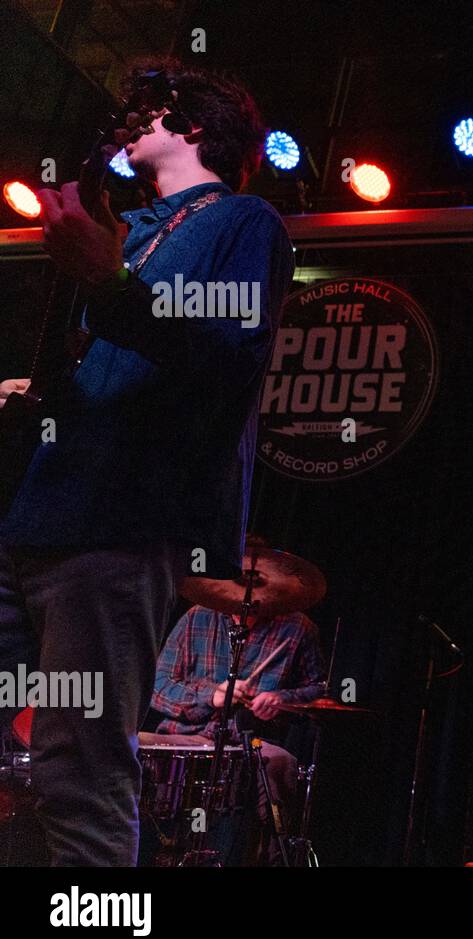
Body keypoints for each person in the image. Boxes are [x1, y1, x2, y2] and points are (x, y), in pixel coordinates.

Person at [0, 59, 294, 865]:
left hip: (117, 524)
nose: (131, 122)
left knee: (79, 767)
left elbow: (226, 354)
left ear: (194, 125)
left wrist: (113, 285)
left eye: (151, 110)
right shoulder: (128, 228)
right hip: (32, 518)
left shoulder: (242, 220)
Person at [145, 604, 326, 861]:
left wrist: (281, 699)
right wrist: (211, 695)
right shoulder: (197, 616)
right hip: (187, 733)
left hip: (251, 740)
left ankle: (264, 856)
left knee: (280, 764)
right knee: (131, 745)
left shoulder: (297, 627)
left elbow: (319, 691)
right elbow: (157, 686)